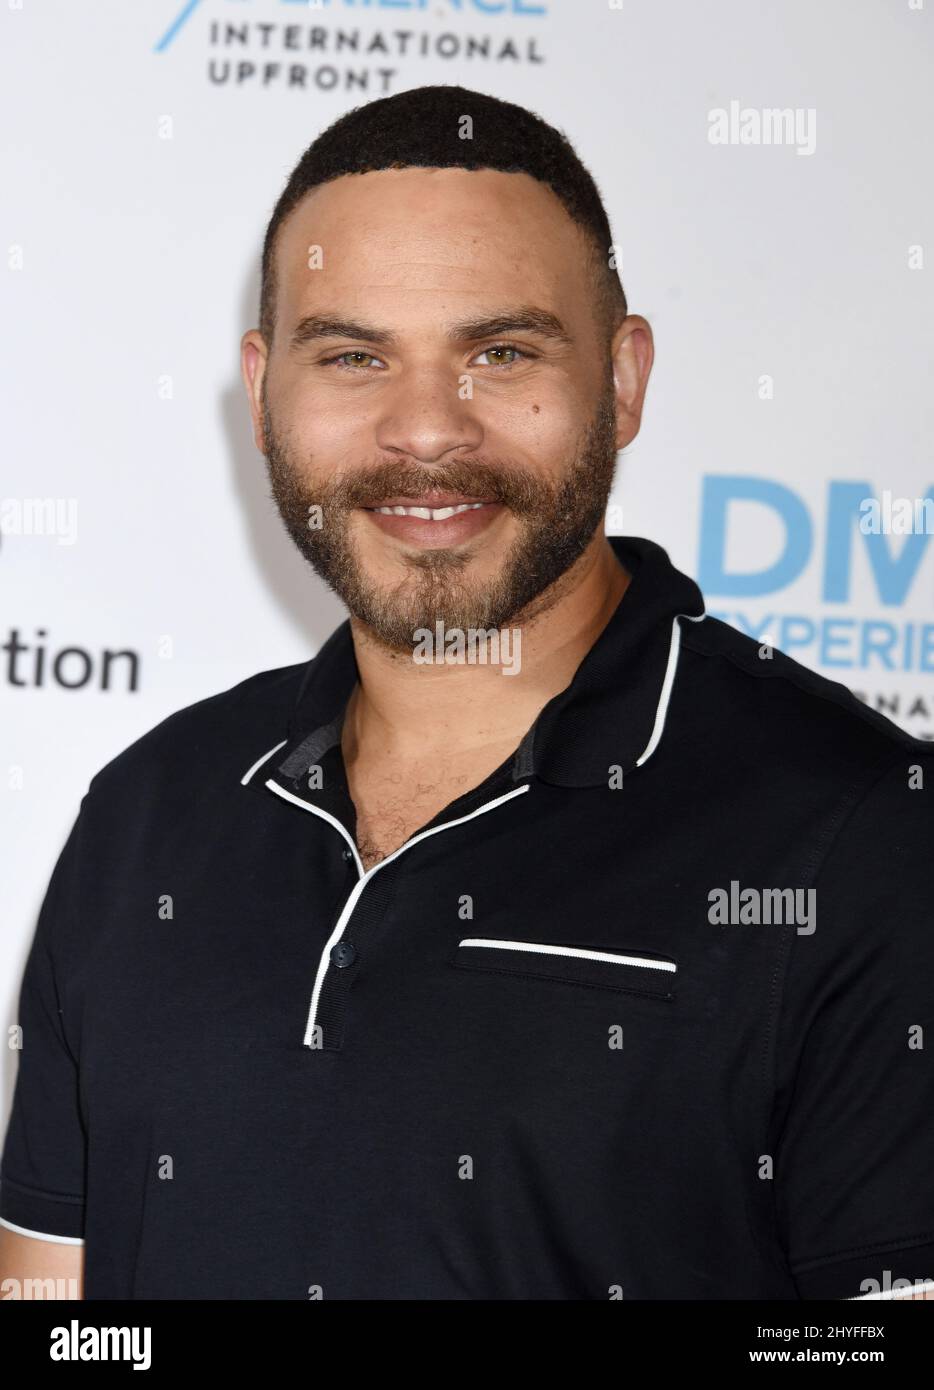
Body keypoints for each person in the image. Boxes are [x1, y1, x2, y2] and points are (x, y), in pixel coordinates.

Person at [1, 85, 932, 1301]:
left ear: (624, 377)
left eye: (499, 352)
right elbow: (52, 1307)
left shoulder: (863, 840)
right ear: (265, 386)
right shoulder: (149, 813)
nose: (425, 431)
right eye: (351, 355)